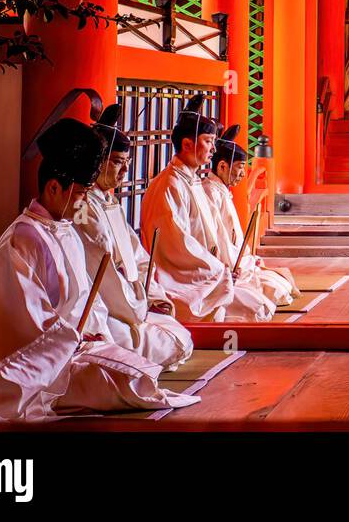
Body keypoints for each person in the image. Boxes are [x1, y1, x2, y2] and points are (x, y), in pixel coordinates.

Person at [0, 117, 197, 423]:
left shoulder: (64, 229)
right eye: (81, 193)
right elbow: (24, 319)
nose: (83, 202)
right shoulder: (24, 237)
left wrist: (93, 331)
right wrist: (72, 338)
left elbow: (87, 298)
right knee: (130, 382)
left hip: (72, 345)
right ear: (54, 187)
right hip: (30, 361)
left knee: (140, 376)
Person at [73, 102, 193, 371]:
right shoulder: (82, 208)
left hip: (133, 300)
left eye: (127, 163)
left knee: (178, 337)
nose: (126, 171)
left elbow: (138, 258)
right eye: (118, 162)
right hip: (106, 307)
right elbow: (103, 273)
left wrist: (154, 297)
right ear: (98, 162)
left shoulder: (109, 203)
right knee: (165, 342)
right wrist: (139, 307)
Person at [140, 96, 276, 322]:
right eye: (208, 141)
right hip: (185, 281)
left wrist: (224, 268)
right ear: (186, 144)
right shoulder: (170, 185)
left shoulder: (190, 180)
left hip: (210, 272)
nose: (214, 148)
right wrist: (219, 271)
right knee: (256, 309)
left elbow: (215, 236)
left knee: (262, 305)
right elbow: (178, 247)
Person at [202, 124, 299, 307]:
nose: (242, 175)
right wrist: (235, 266)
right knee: (274, 292)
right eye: (240, 167)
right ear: (222, 166)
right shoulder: (211, 193)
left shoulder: (220, 190)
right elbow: (218, 240)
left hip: (238, 262)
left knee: (281, 283)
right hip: (226, 267)